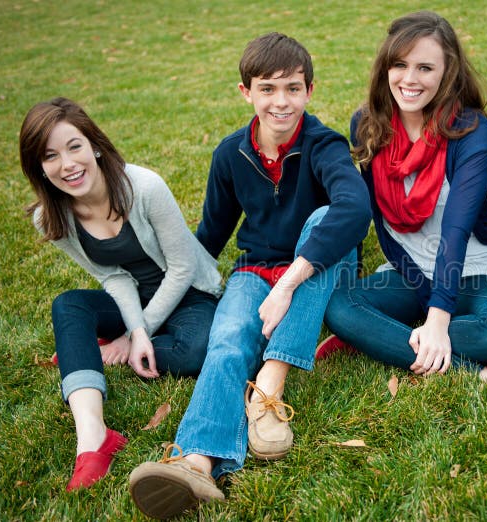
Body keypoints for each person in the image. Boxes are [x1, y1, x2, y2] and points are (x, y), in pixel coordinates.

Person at [127, 33, 371, 519]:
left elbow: (354, 209)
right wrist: (151, 310)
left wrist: (287, 284)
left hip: (319, 267)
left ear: (310, 89)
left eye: (293, 88)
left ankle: (269, 389)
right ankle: (196, 461)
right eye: (268, 89)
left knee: (325, 221)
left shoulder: (325, 145)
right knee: (228, 337)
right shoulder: (230, 154)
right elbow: (210, 236)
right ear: (246, 92)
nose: (281, 102)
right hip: (255, 267)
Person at [323, 11, 487, 404]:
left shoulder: (473, 131)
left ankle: (379, 339)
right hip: (408, 272)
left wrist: (438, 316)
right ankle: (482, 370)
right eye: (400, 65)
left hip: (472, 269)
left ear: (447, 72)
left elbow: (456, 230)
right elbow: (363, 211)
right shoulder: (367, 124)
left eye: (425, 68)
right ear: (385, 67)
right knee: (341, 306)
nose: (409, 79)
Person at [18, 97, 223, 491]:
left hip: (189, 292)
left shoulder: (144, 186)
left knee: (194, 352)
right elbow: (112, 276)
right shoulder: (50, 216)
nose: (67, 165)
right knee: (69, 304)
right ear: (39, 168)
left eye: (74, 146)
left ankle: (85, 352)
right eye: (50, 156)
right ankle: (93, 438)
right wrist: (135, 330)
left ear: (94, 144)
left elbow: (182, 268)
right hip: (131, 298)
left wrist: (132, 336)